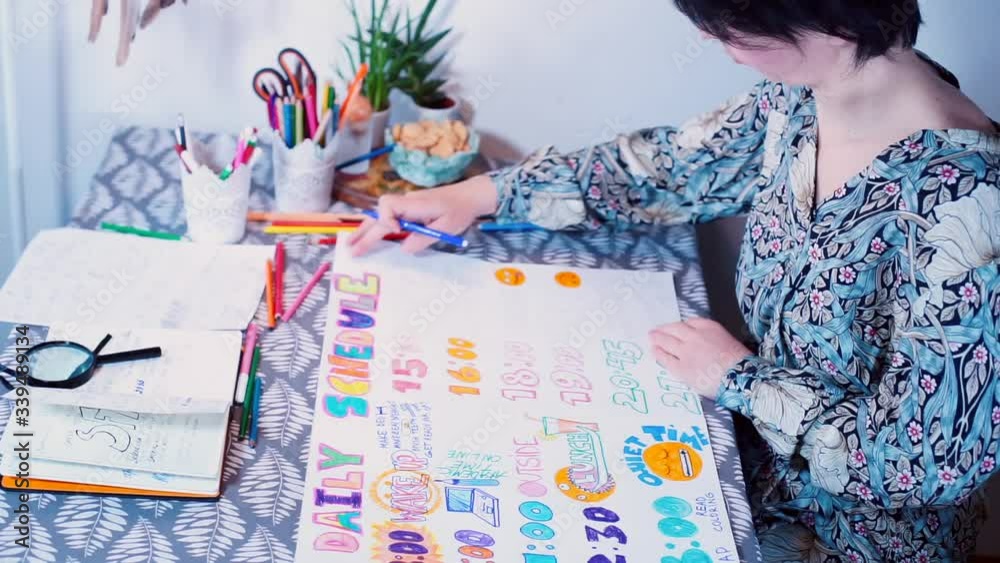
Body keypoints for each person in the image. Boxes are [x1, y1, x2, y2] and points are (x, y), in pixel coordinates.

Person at [351, 1, 1000, 561]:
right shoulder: (803, 96)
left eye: (730, 27)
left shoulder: (969, 208)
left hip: (854, 536)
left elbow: (928, 465)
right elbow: (670, 170)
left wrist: (740, 378)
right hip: (747, 456)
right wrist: (487, 193)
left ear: (823, 17)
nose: (712, 43)